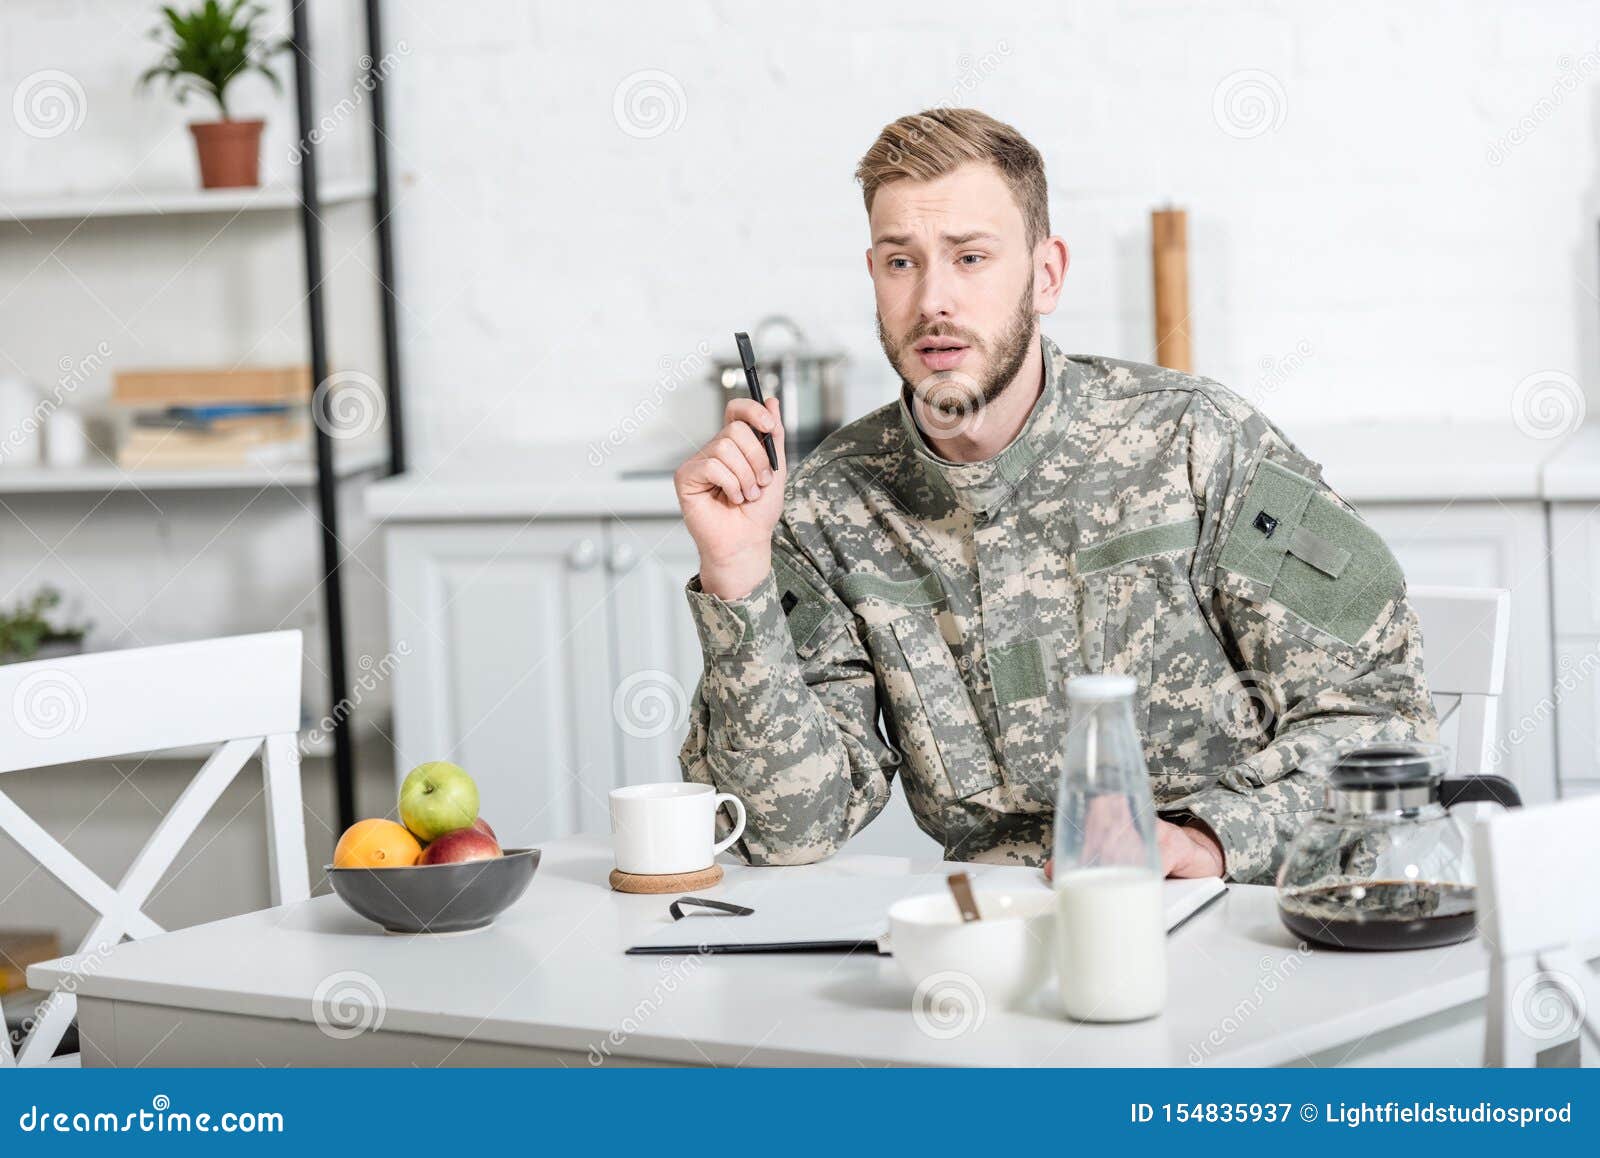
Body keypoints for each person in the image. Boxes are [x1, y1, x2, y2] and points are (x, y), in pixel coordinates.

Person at [672, 108, 1437, 883]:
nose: (934, 299)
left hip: (1221, 913)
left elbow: (1385, 721)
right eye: (902, 263)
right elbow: (781, 832)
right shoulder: (829, 504)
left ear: (1046, 275)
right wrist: (738, 576)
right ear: (874, 274)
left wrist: (1208, 841)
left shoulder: (1197, 442)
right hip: (991, 942)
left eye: (970, 257)